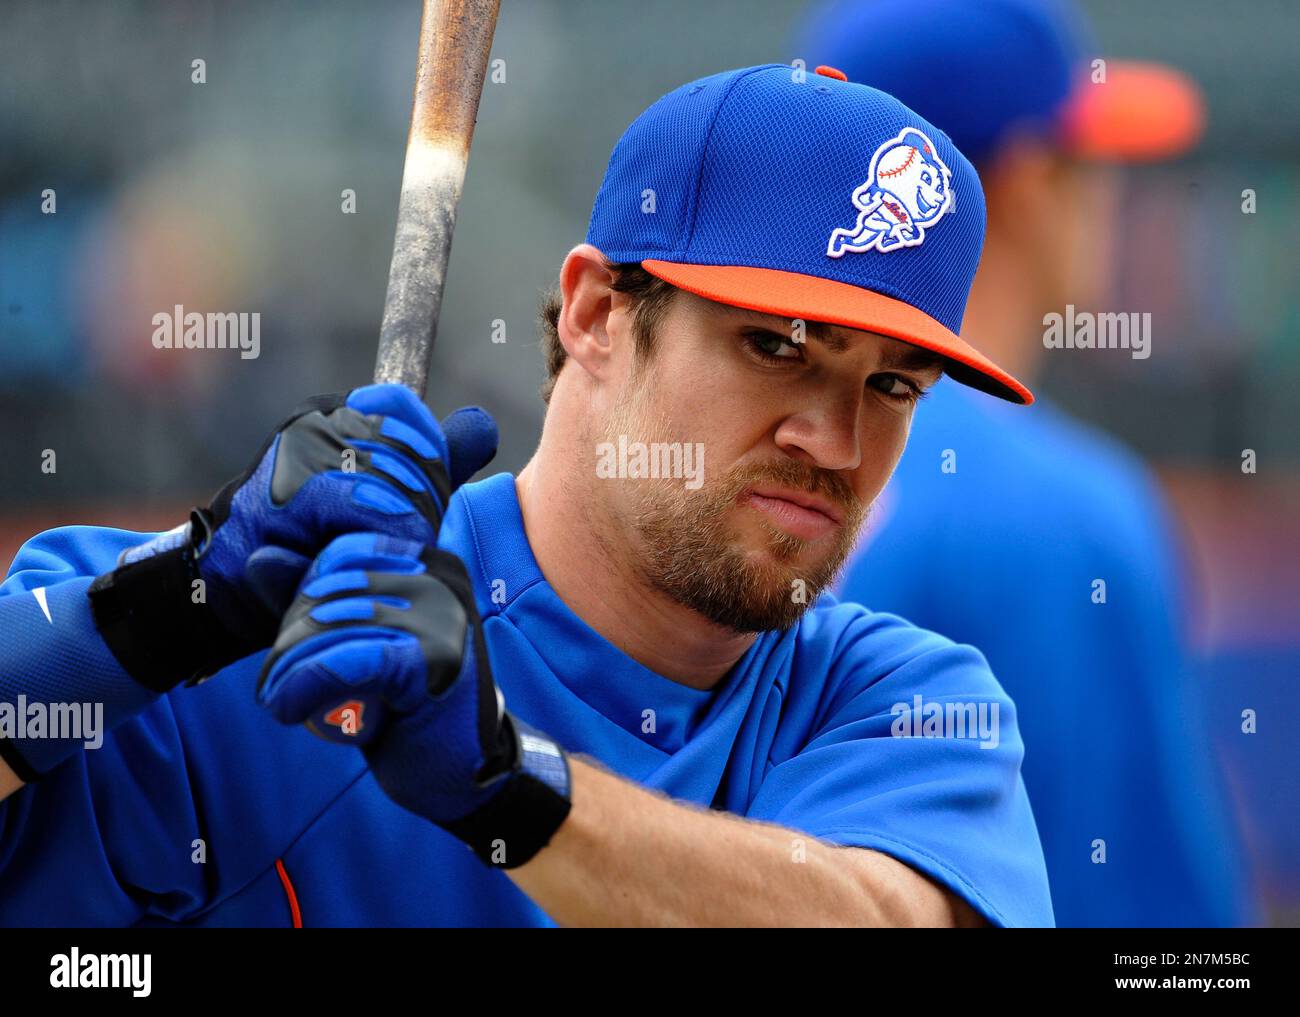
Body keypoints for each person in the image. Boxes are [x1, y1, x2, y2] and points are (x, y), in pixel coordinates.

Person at [0, 64, 1053, 927]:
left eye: (891, 385)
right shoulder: (275, 623)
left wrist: (509, 787)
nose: (835, 441)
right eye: (775, 347)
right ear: (596, 312)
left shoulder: (894, 704)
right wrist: (168, 611)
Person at [799, 0, 1255, 925]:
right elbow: (1159, 934)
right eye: (1086, 162)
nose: (1113, 195)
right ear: (1021, 183)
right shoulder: (1067, 513)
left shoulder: (733, 471)